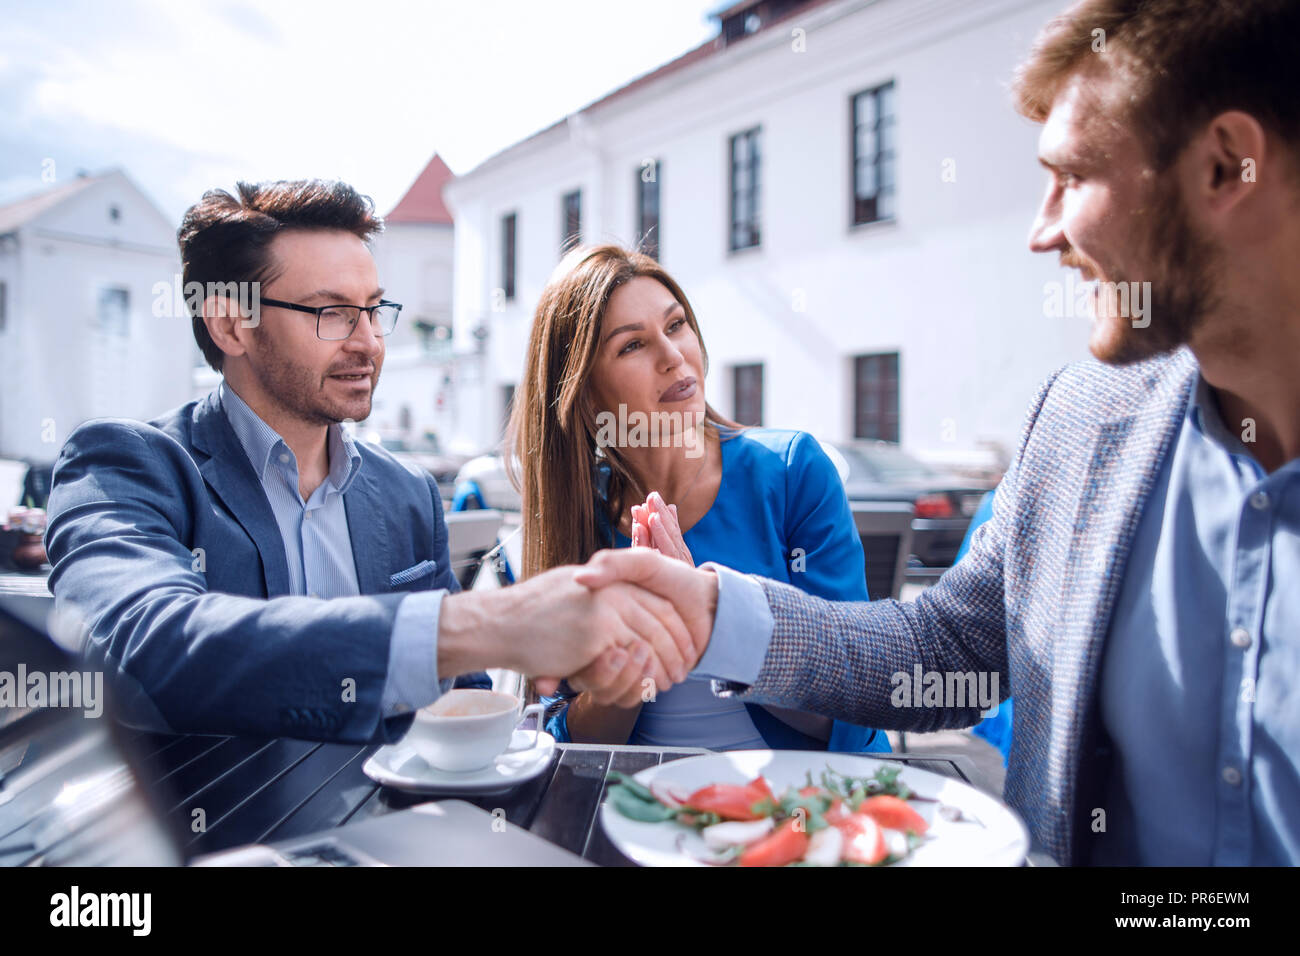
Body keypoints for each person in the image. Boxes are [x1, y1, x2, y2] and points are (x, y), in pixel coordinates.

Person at [567, 0, 1300, 865]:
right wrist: (717, 613)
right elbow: (948, 647)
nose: (1043, 230)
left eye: (1073, 176)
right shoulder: (1077, 424)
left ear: (1227, 167)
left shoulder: (790, 467)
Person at [44, 180, 696, 743]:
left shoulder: (405, 490)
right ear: (229, 325)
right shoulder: (125, 466)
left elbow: (459, 702)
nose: (368, 343)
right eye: (331, 312)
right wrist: (493, 622)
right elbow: (148, 645)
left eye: (373, 310)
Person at [508, 244, 887, 753]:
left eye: (676, 325)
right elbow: (562, 739)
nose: (672, 356)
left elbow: (854, 704)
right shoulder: (577, 515)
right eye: (632, 346)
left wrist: (712, 623)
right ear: (586, 394)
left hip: (809, 811)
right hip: (650, 813)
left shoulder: (793, 472)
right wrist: (632, 659)